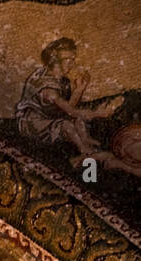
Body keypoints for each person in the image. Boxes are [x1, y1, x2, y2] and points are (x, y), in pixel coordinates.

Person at [15, 37, 124, 169]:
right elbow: (71, 111)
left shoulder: (60, 80)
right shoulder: (48, 89)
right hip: (33, 123)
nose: (72, 64)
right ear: (55, 61)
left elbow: (67, 107)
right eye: (69, 60)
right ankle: (85, 151)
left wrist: (79, 89)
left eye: (73, 59)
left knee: (77, 121)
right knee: (66, 125)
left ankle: (85, 141)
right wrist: (98, 113)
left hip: (49, 116)